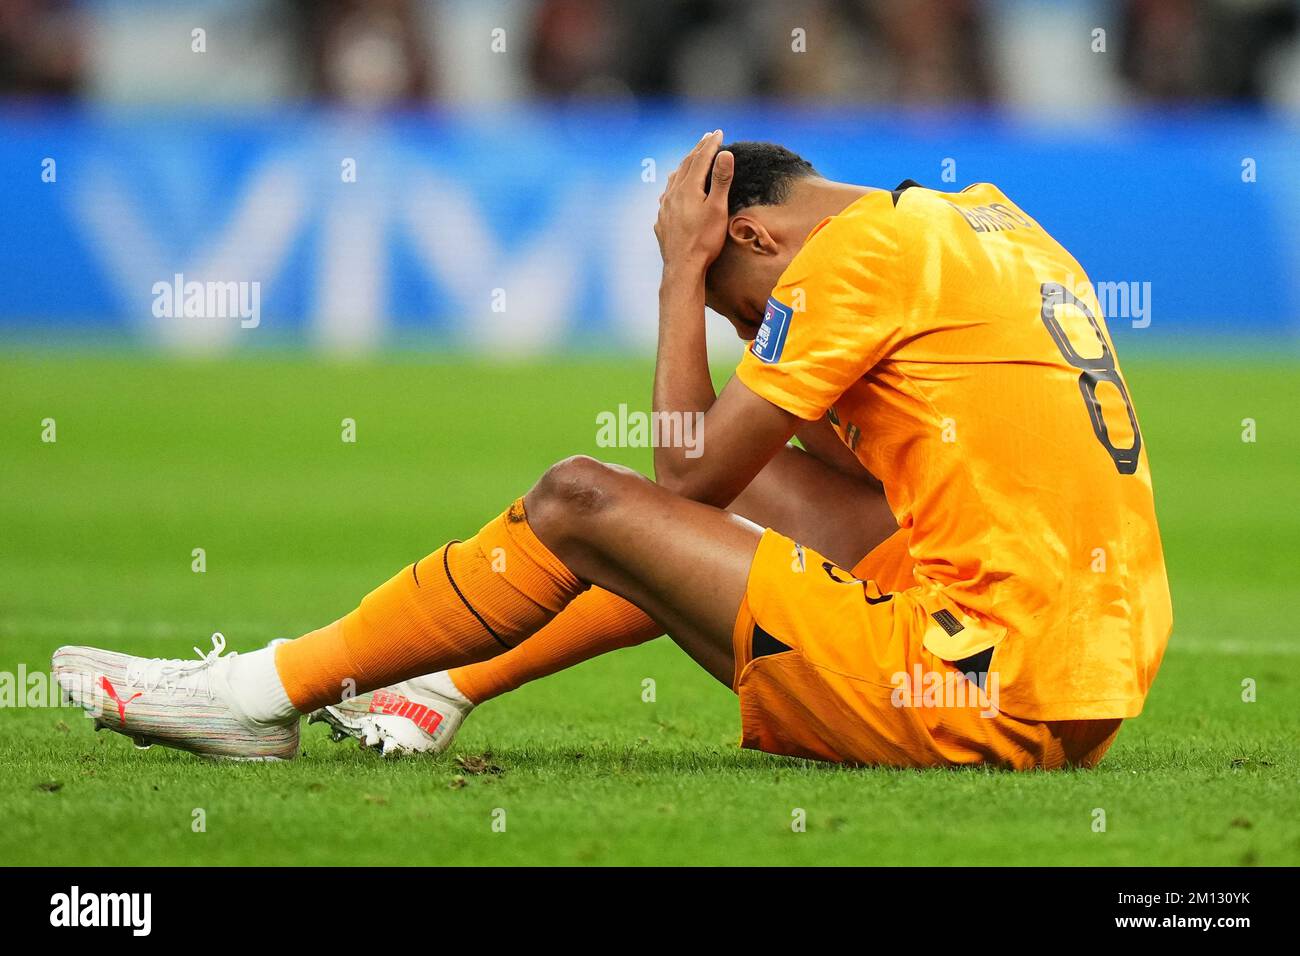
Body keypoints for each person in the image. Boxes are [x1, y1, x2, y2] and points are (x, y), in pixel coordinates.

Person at [53, 132, 1172, 769]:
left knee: (586, 496)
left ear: (750, 233)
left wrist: (678, 276)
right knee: (747, 492)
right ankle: (438, 680)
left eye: (745, 307)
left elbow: (684, 474)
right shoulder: (990, 222)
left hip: (978, 679)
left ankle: (254, 695)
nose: (747, 336)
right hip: (1086, 677)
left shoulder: (856, 259)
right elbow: (795, 483)